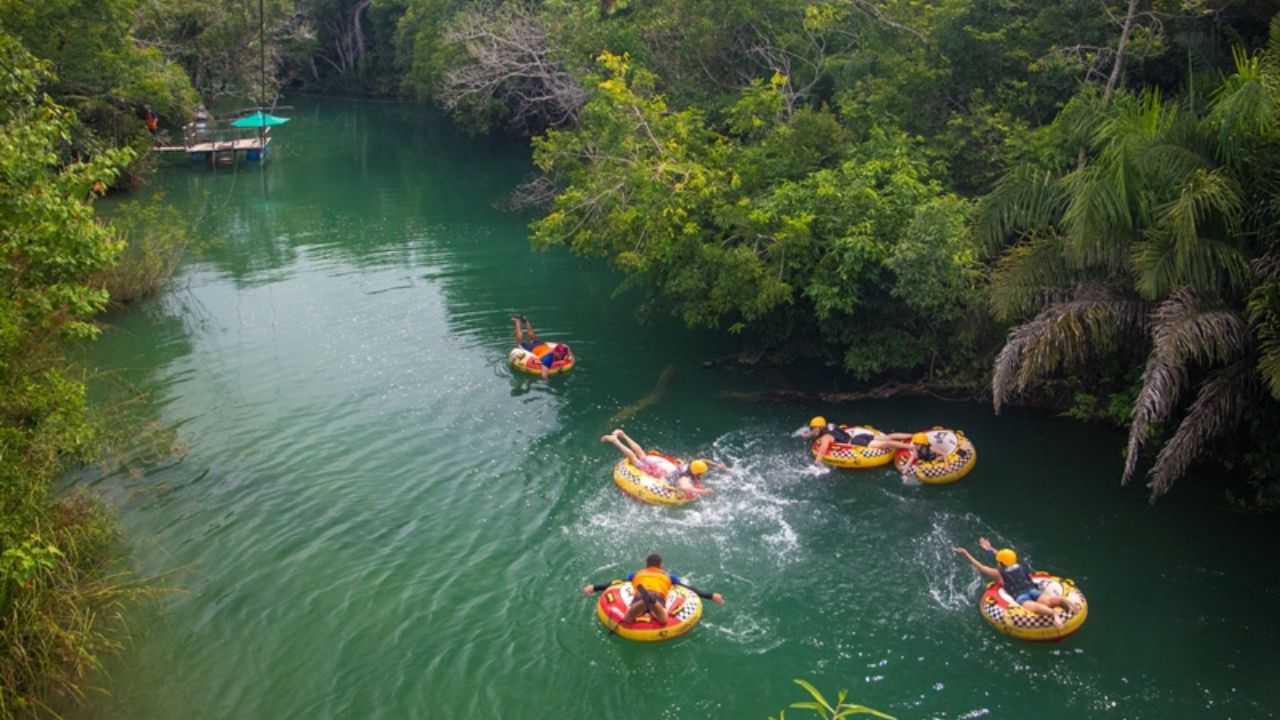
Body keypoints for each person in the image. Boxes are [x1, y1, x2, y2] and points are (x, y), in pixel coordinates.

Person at [953, 537, 1080, 630]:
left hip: (1021, 596)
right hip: (1032, 590)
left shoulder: (999, 573)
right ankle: (1064, 601)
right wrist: (990, 549)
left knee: (1033, 607)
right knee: (1049, 599)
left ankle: (1053, 614)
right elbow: (1004, 558)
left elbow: (981, 567)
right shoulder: (1019, 565)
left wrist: (965, 553)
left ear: (1000, 563)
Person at [582, 553, 724, 627]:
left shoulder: (637, 574)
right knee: (662, 620)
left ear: (646, 564)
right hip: (658, 595)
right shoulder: (667, 576)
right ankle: (652, 602)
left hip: (639, 595)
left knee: (628, 618)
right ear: (660, 565)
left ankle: (644, 601)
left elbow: (615, 583)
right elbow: (689, 588)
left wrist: (594, 587)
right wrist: (711, 596)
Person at [600, 428, 721, 498]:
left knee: (641, 454)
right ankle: (614, 440)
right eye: (703, 473)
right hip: (658, 474)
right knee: (633, 458)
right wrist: (703, 492)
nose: (704, 474)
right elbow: (684, 487)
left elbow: (704, 461)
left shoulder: (692, 464)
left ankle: (622, 434)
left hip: (663, 469)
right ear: (697, 473)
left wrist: (716, 465)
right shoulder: (685, 477)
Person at [803, 416, 915, 467]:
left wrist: (815, 465)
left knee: (887, 444)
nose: (812, 430)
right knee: (889, 437)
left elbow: (822, 451)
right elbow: (816, 432)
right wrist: (808, 435)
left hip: (857, 442)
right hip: (859, 436)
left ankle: (911, 447)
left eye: (813, 428)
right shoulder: (830, 425)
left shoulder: (825, 437)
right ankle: (914, 436)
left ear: (818, 428)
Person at [511, 314, 572, 380]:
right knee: (520, 343)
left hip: (542, 345)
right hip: (534, 348)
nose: (561, 355)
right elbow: (544, 375)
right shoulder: (548, 358)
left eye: (563, 354)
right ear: (554, 351)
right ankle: (517, 322)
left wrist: (569, 353)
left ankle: (526, 321)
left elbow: (567, 347)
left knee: (533, 340)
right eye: (560, 353)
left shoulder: (565, 351)